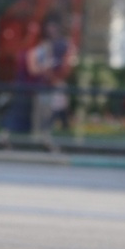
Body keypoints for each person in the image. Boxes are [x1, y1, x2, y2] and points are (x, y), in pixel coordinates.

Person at [26, 13, 77, 152]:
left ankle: (49, 138)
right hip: (43, 84)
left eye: (54, 27)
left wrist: (56, 77)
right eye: (49, 27)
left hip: (56, 83)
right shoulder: (42, 45)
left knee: (54, 112)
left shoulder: (65, 45)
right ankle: (39, 140)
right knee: (41, 112)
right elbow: (36, 66)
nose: (51, 30)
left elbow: (68, 64)